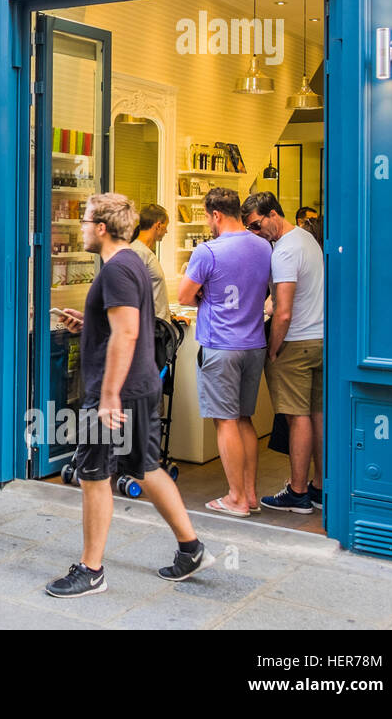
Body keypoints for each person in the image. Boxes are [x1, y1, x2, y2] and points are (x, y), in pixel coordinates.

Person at [46, 194, 215, 597]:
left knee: (93, 474)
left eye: (85, 221)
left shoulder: (118, 269)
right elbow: (120, 324)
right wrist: (87, 324)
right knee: (147, 467)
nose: (82, 227)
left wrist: (106, 396)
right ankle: (191, 549)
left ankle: (91, 570)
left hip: (116, 391)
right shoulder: (131, 262)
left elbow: (127, 332)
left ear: (101, 227)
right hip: (136, 386)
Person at [177, 187, 272, 518]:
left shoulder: (208, 251)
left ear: (215, 215)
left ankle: (235, 498)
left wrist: (205, 294)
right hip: (254, 343)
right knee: (244, 419)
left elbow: (185, 296)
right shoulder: (263, 247)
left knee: (225, 421)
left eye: (206, 215)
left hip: (221, 345)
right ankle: (250, 494)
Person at [243, 192, 325, 512]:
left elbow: (284, 311)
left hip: (296, 342)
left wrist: (274, 349)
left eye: (257, 224)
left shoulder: (285, 251)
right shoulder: (307, 240)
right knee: (318, 415)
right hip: (320, 339)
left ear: (274, 214)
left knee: (296, 418)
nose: (255, 231)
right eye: (249, 227)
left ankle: (298, 491)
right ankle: (319, 487)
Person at [129, 203, 170, 320]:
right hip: (151, 328)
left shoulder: (145, 252)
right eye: (165, 226)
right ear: (158, 226)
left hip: (157, 326)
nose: (166, 231)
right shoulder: (139, 252)